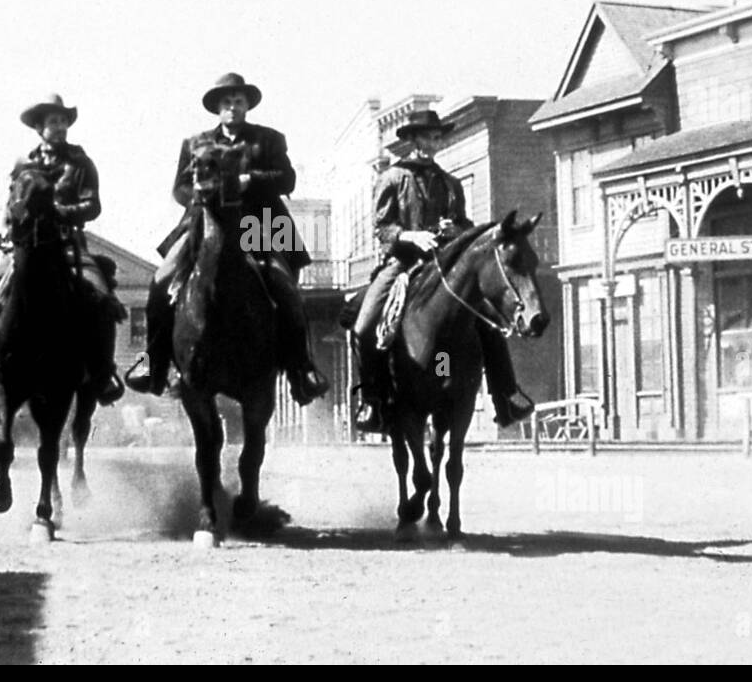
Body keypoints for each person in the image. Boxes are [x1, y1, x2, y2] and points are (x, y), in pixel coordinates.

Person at [125, 72, 330, 405]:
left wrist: (252, 179)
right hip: (205, 220)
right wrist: (199, 194)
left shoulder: (270, 139)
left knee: (285, 287)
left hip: (257, 221)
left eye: (238, 101)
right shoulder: (195, 143)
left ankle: (301, 368)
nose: (232, 107)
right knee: (161, 279)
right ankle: (153, 363)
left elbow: (287, 179)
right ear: (217, 109)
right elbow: (179, 187)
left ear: (247, 105)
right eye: (226, 103)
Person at [351, 109, 534, 433]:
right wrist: (410, 236)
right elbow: (382, 229)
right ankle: (372, 400)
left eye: (436, 138)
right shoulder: (392, 178)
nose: (431, 144)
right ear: (411, 140)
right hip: (403, 264)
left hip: (445, 265)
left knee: (489, 322)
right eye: (425, 137)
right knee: (364, 326)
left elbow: (464, 227)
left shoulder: (450, 183)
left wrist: (454, 229)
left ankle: (506, 395)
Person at [0, 93, 125, 406]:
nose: (59, 127)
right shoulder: (23, 166)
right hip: (25, 248)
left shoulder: (81, 163)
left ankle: (103, 371)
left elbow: (93, 205)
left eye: (63, 121)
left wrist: (60, 212)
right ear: (39, 127)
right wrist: (12, 220)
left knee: (100, 296)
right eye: (52, 122)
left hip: (68, 245)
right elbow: (10, 204)